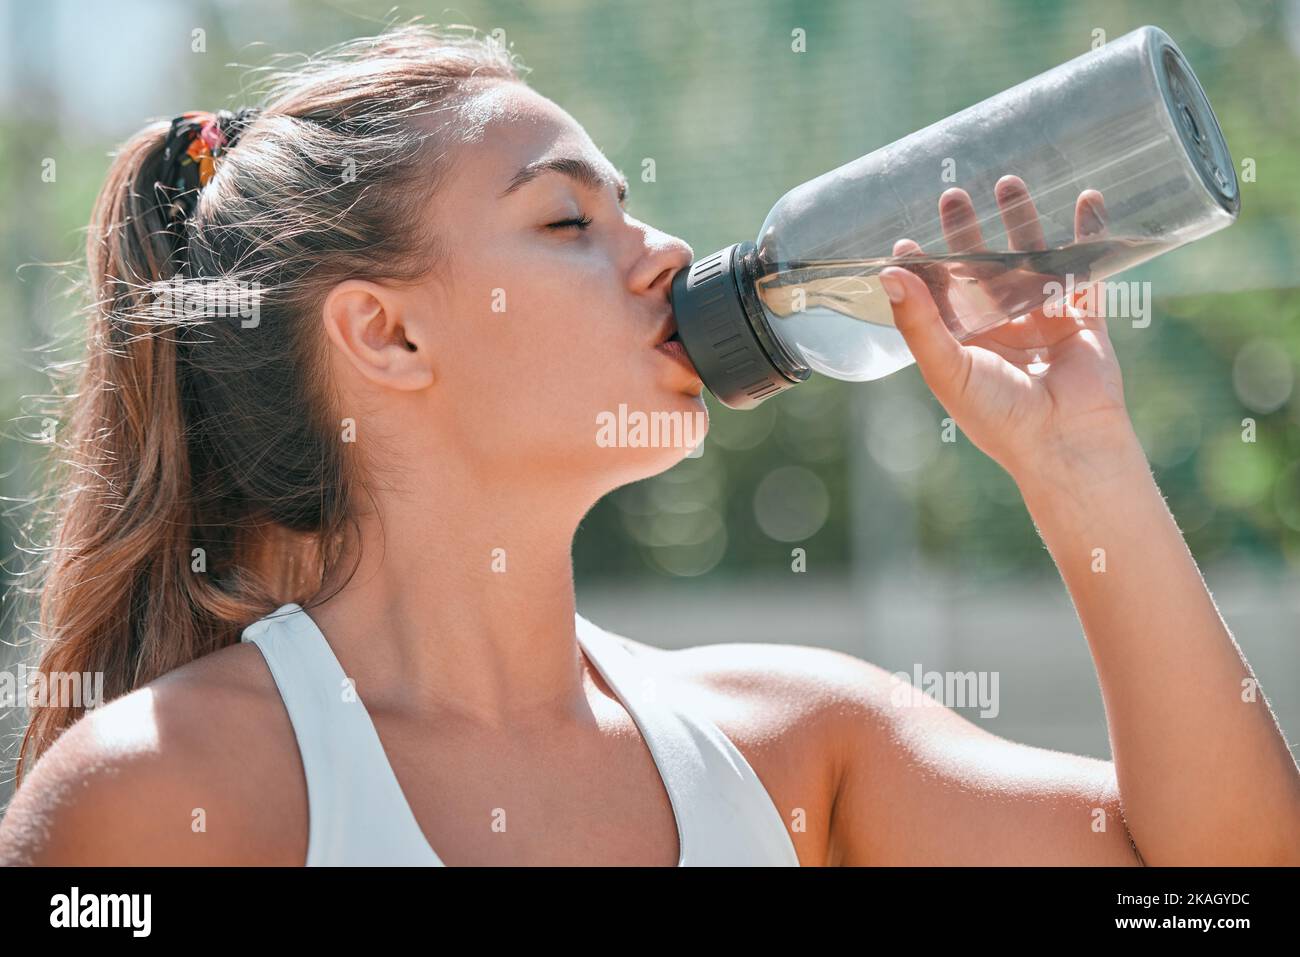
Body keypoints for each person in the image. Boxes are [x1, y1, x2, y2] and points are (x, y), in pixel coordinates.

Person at [1, 23, 1296, 867]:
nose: (666, 252)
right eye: (568, 221)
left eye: (633, 206)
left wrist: (1085, 466)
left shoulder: (795, 742)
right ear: (386, 335)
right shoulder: (172, 795)